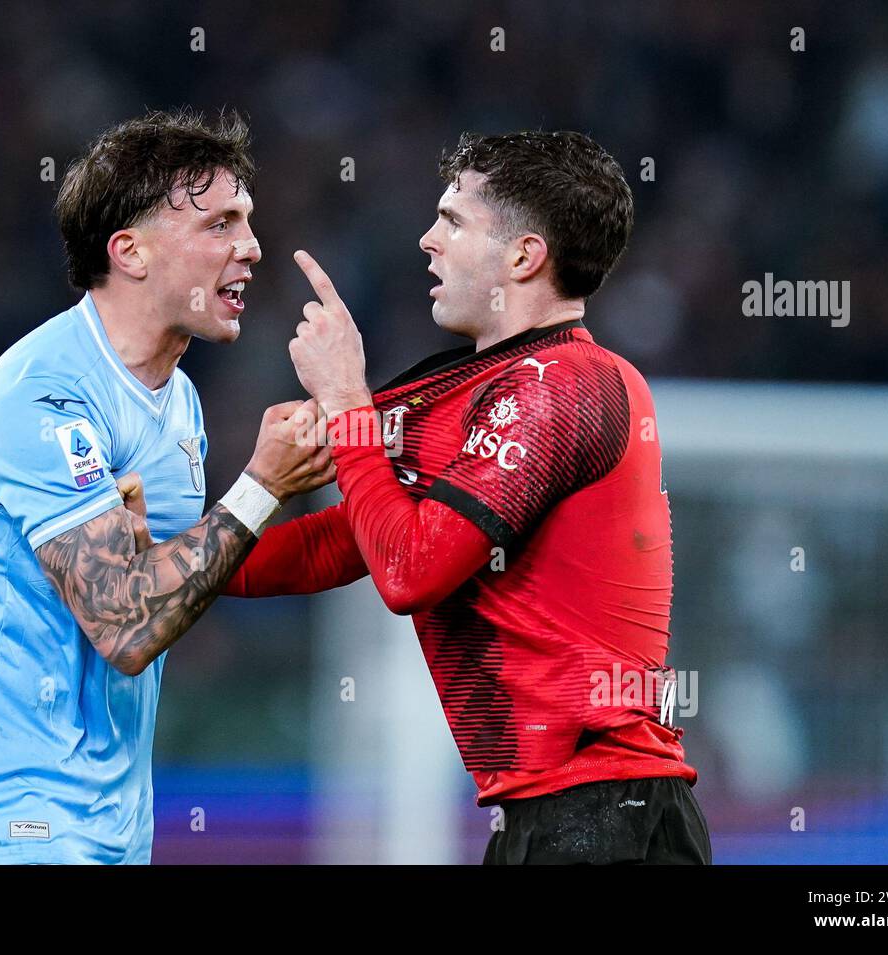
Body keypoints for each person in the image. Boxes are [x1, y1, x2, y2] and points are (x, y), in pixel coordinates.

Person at [218, 130, 711, 864]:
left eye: (453, 221)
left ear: (523, 257)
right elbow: (336, 543)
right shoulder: (470, 396)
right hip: (548, 816)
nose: (427, 240)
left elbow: (412, 573)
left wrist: (350, 401)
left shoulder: (571, 385)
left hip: (609, 814)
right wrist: (175, 553)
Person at [0, 109, 333, 865]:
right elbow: (126, 627)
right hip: (6, 827)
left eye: (249, 221)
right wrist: (263, 485)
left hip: (110, 827)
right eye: (221, 224)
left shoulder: (179, 402)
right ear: (129, 251)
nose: (252, 248)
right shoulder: (44, 398)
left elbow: (162, 590)